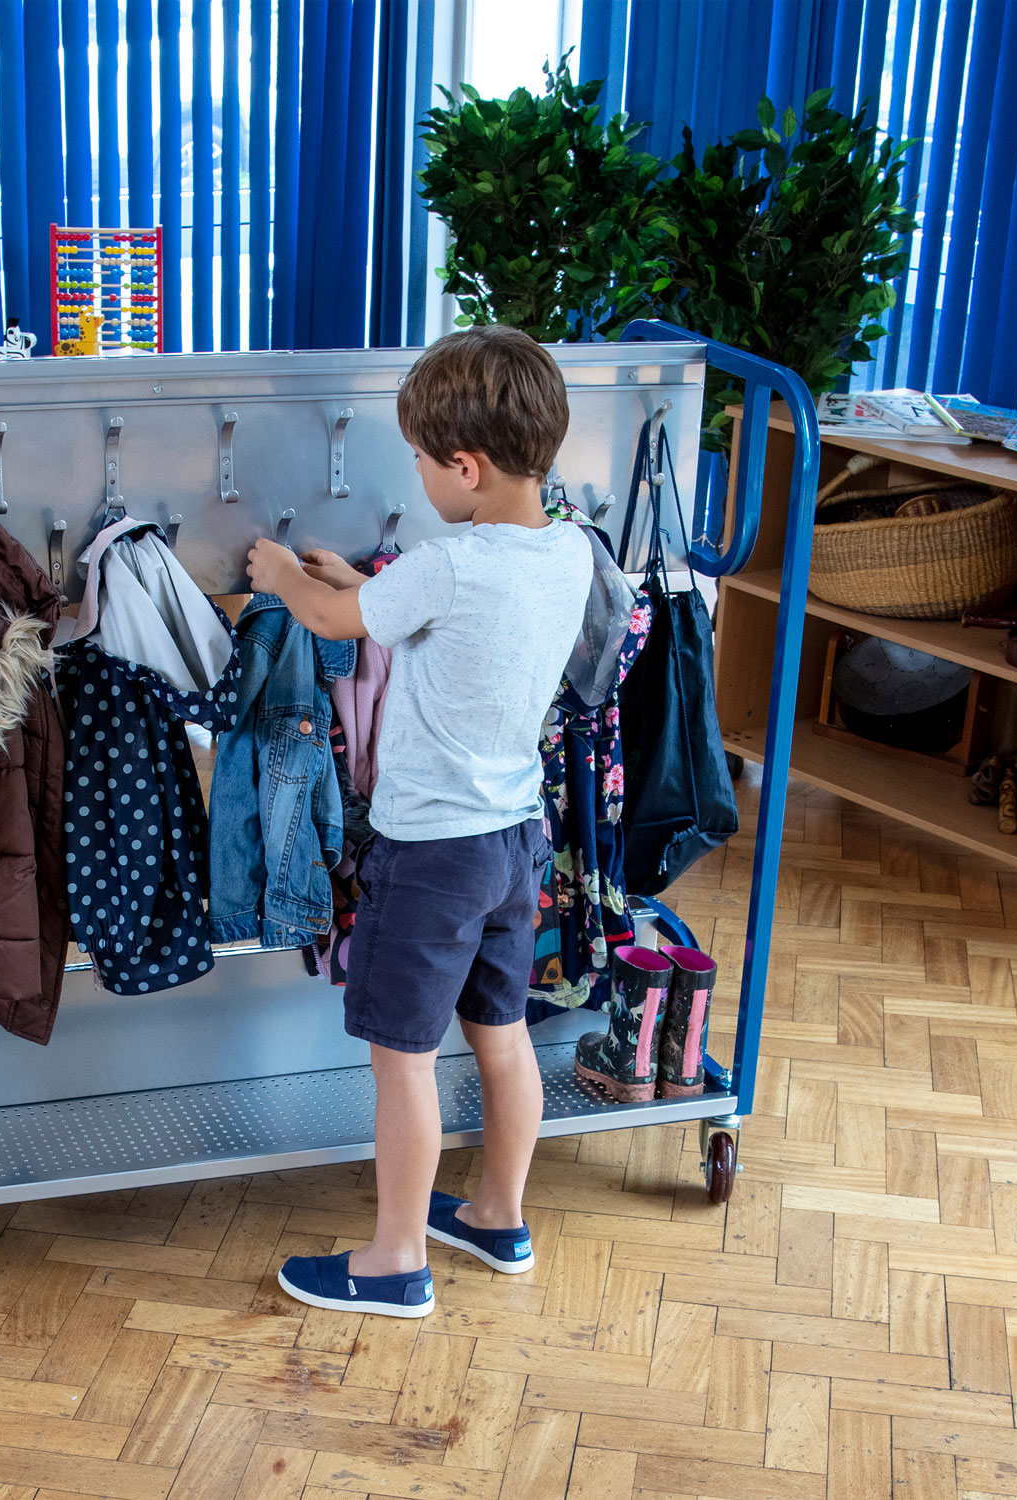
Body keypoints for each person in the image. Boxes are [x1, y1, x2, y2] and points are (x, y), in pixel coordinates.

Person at [245, 325, 593, 1318]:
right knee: (503, 1034)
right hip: (513, 844)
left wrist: (281, 574)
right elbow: (436, 618)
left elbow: (331, 622)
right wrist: (366, 586)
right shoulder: (565, 551)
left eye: (421, 462)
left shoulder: (450, 563)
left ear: (467, 469)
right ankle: (497, 1216)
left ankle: (394, 1261)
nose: (417, 478)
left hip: (430, 852)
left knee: (401, 1059)